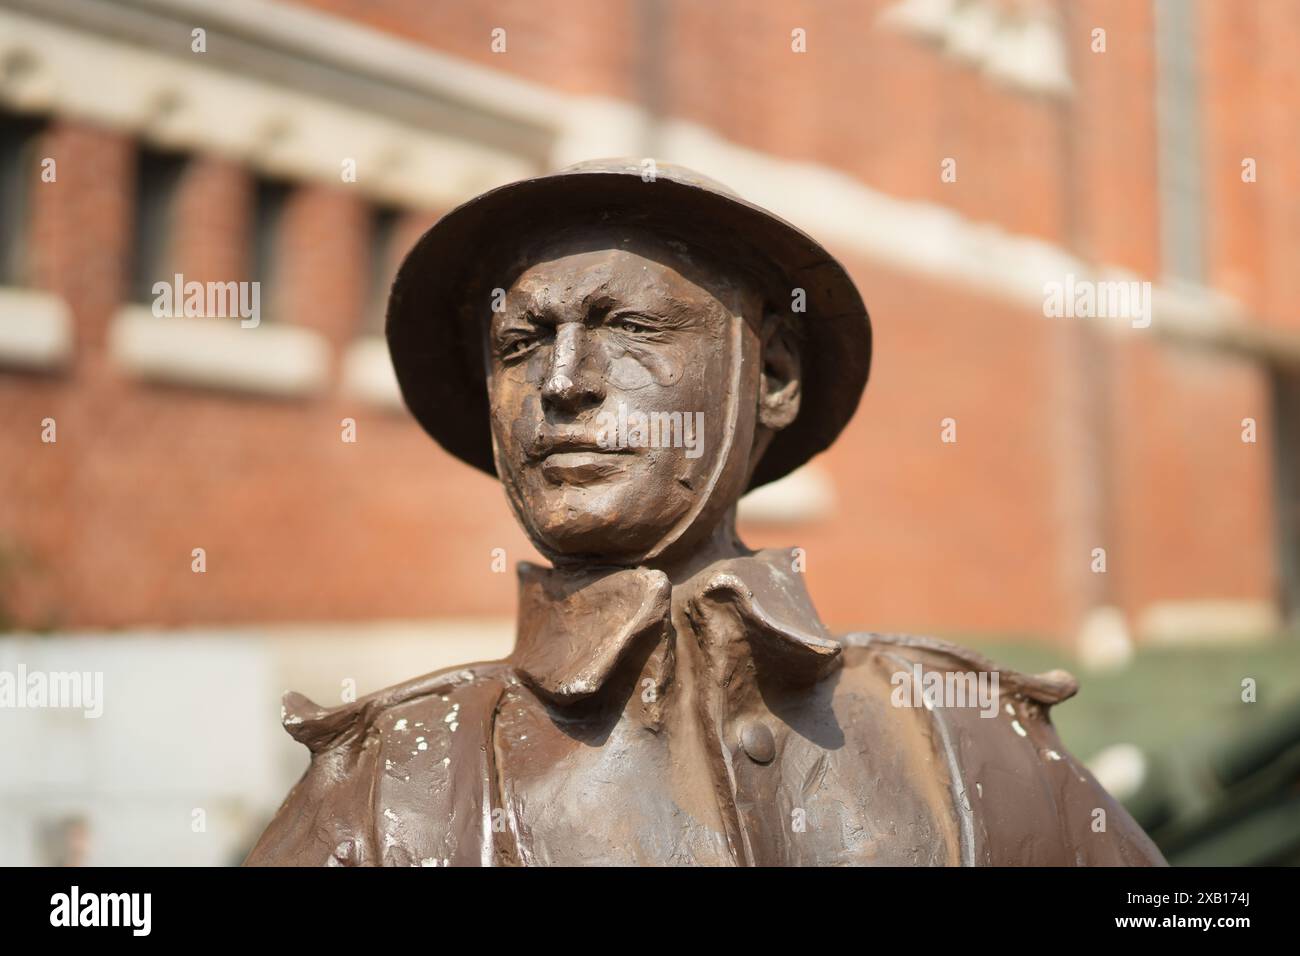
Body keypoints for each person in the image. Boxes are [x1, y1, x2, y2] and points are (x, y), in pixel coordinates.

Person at [245, 159, 1164, 866]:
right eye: (520, 344)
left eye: (631, 330)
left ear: (771, 376)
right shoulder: (392, 787)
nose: (561, 385)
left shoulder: (968, 743)